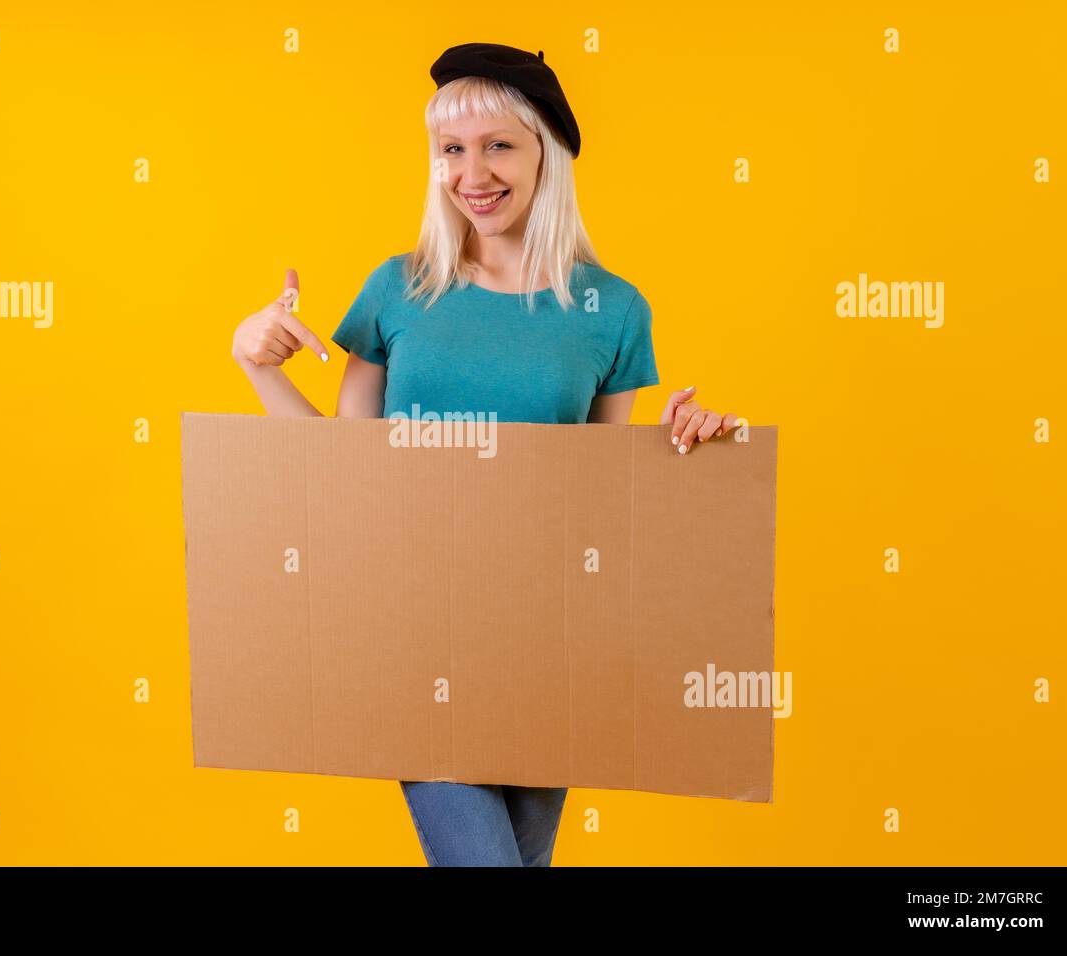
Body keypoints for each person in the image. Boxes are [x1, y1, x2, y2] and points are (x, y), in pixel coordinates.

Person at [230, 42, 739, 866]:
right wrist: (255, 365)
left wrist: (686, 450)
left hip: (550, 640)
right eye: (451, 150)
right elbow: (341, 473)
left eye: (498, 143)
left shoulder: (612, 310)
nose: (474, 172)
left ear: (548, 150)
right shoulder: (399, 290)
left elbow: (603, 496)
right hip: (415, 632)